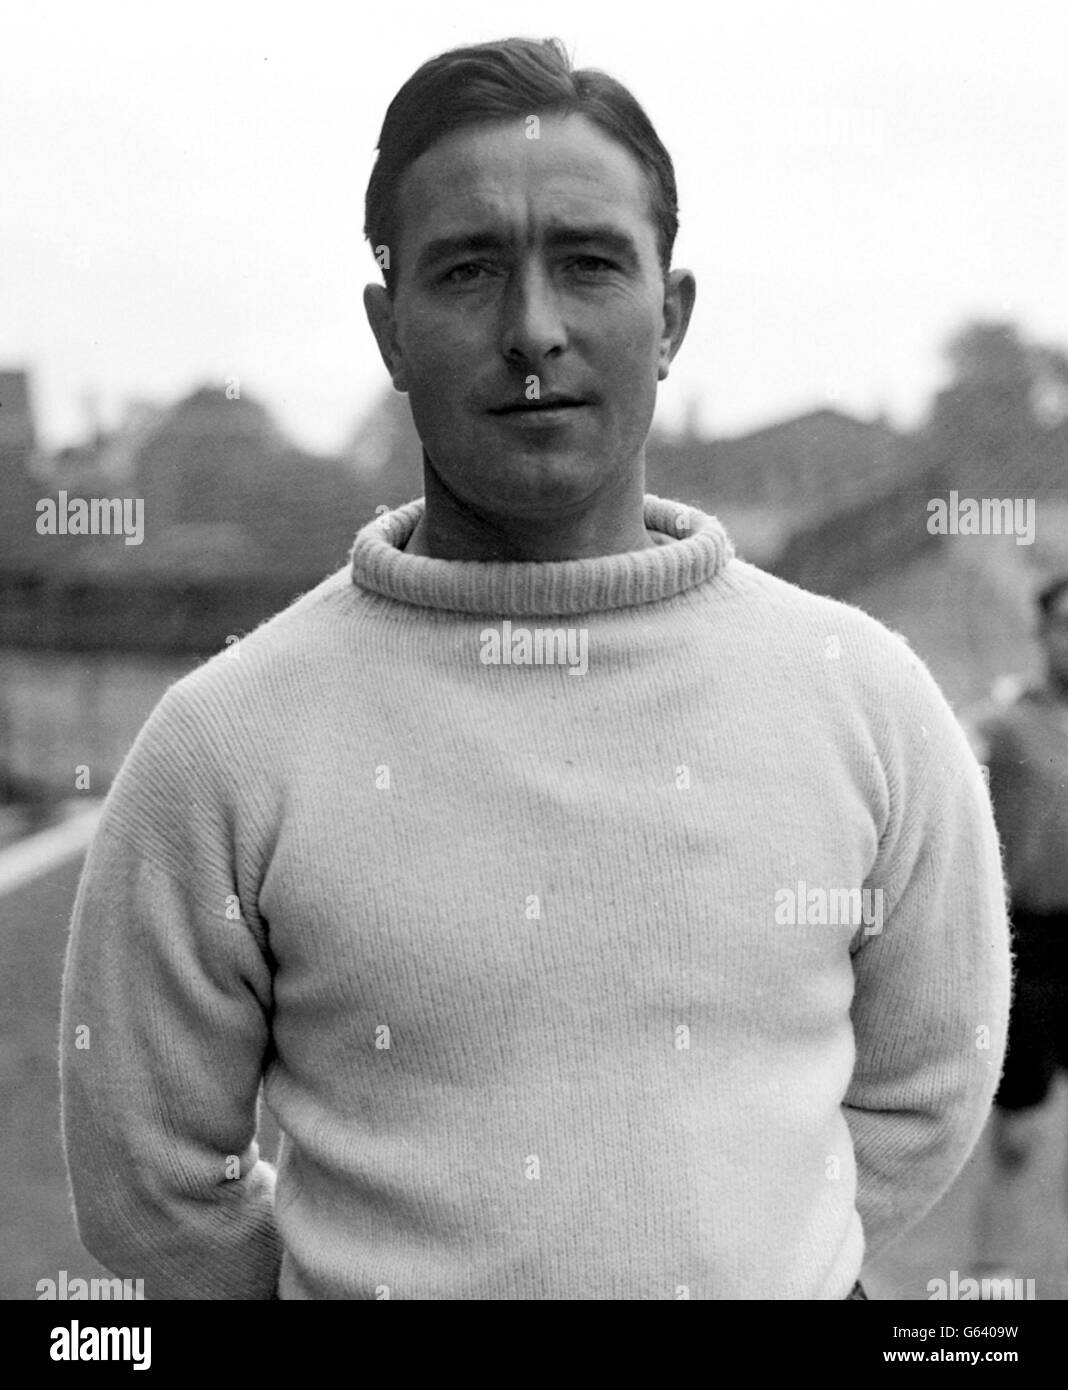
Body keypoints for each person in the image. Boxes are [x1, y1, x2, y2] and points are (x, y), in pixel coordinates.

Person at [60, 35, 1010, 1300]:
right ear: (390, 331)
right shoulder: (226, 743)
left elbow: (928, 1085)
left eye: (589, 262)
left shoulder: (864, 699)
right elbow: (151, 1182)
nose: (533, 330)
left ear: (670, 317)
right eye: (467, 270)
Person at [969, 575, 1068, 1271]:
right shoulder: (1005, 724)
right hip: (1027, 946)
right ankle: (987, 1292)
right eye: (1065, 625)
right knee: (1018, 1134)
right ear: (1043, 634)